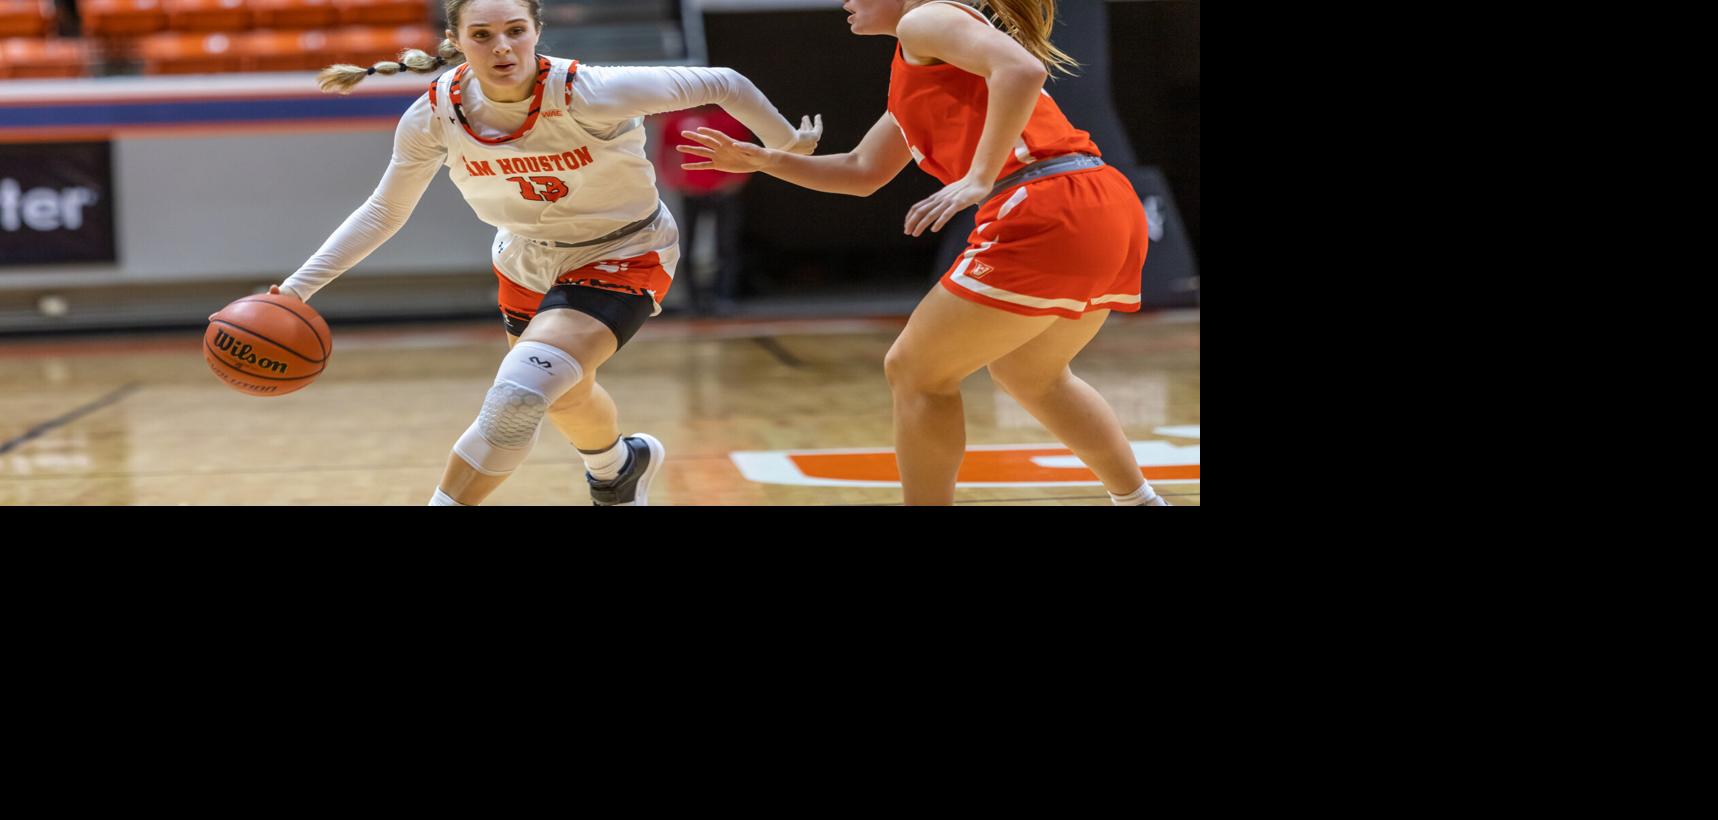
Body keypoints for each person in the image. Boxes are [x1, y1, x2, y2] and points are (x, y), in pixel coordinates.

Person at [271, 0, 821, 506]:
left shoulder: (590, 92)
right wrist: (295, 290)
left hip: (623, 250)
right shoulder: (433, 115)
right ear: (456, 40)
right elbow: (383, 212)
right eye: (483, 35)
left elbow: (723, 83)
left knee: (518, 394)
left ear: (537, 32)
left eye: (515, 31)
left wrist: (784, 146)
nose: (502, 47)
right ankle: (617, 467)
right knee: (563, 395)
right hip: (525, 258)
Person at [677, 0, 1165, 506]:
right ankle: (1140, 500)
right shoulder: (920, 67)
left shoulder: (925, 19)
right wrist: (764, 160)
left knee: (915, 372)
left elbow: (1021, 68)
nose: (846, 2)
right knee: (1032, 375)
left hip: (1045, 201)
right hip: (1101, 201)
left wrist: (978, 176)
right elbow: (861, 170)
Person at [655, 105, 754, 315]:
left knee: (726, 244)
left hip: (724, 192)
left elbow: (745, 151)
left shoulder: (731, 120)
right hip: (691, 192)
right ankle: (693, 300)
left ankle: (724, 297)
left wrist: (736, 180)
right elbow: (666, 153)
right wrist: (676, 183)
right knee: (687, 245)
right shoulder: (675, 121)